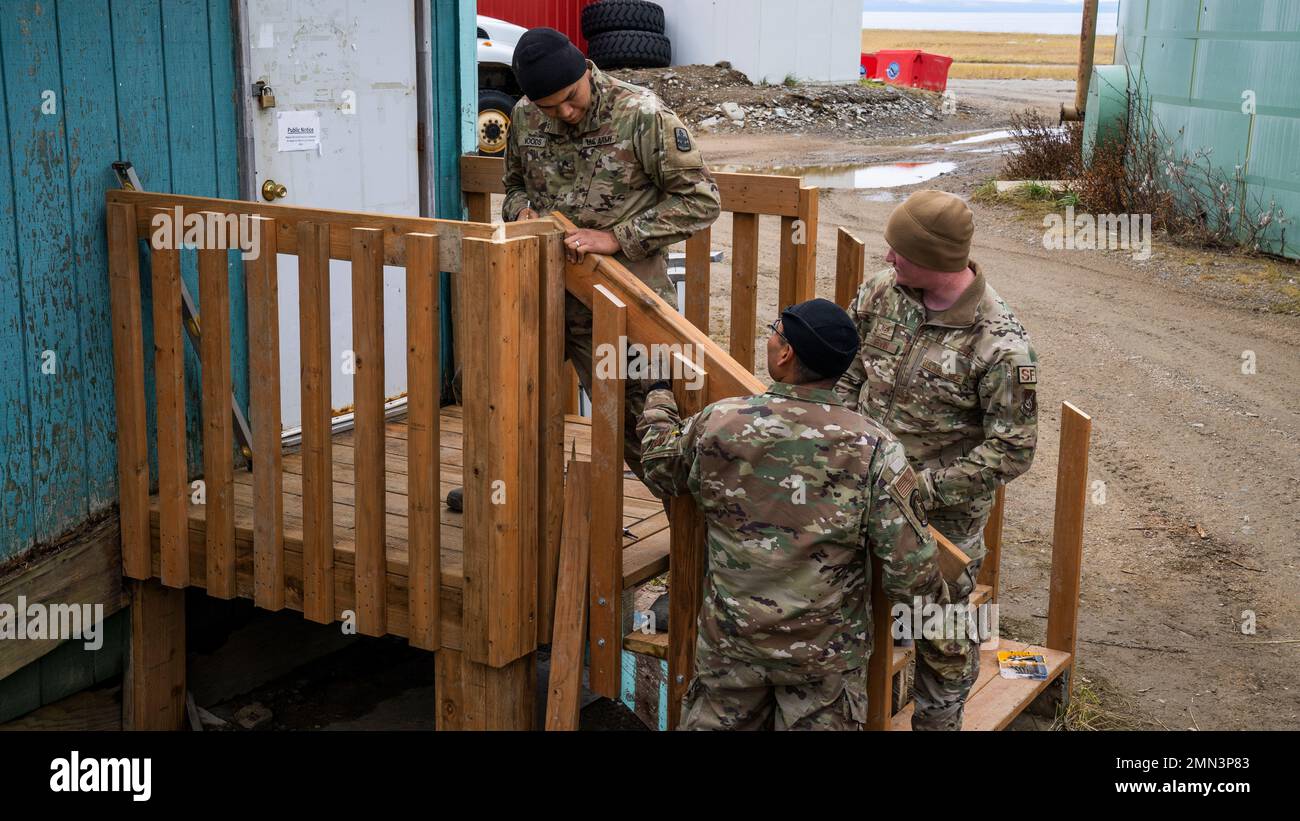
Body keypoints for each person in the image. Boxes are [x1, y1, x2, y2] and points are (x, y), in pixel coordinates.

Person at [637, 298, 948, 730]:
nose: (770, 338)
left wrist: (656, 395)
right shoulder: (874, 448)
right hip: (823, 663)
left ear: (785, 354)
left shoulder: (723, 422)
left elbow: (660, 464)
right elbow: (911, 571)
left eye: (774, 331)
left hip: (733, 651)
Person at [834, 189, 1039, 731]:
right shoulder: (883, 293)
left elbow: (1012, 450)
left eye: (898, 251)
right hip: (859, 498)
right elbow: (849, 372)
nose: (886, 259)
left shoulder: (1001, 345)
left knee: (942, 634)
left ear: (934, 260)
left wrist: (920, 489)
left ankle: (938, 723)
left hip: (938, 525)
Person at [504, 27, 721, 477]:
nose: (565, 112)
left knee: (643, 422)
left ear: (586, 69)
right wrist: (521, 211)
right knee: (509, 396)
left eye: (571, 97)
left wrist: (619, 237)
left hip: (625, 300)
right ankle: (503, 489)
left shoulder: (640, 114)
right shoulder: (525, 117)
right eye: (551, 106)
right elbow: (513, 185)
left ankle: (689, 531)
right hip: (544, 293)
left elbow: (701, 201)